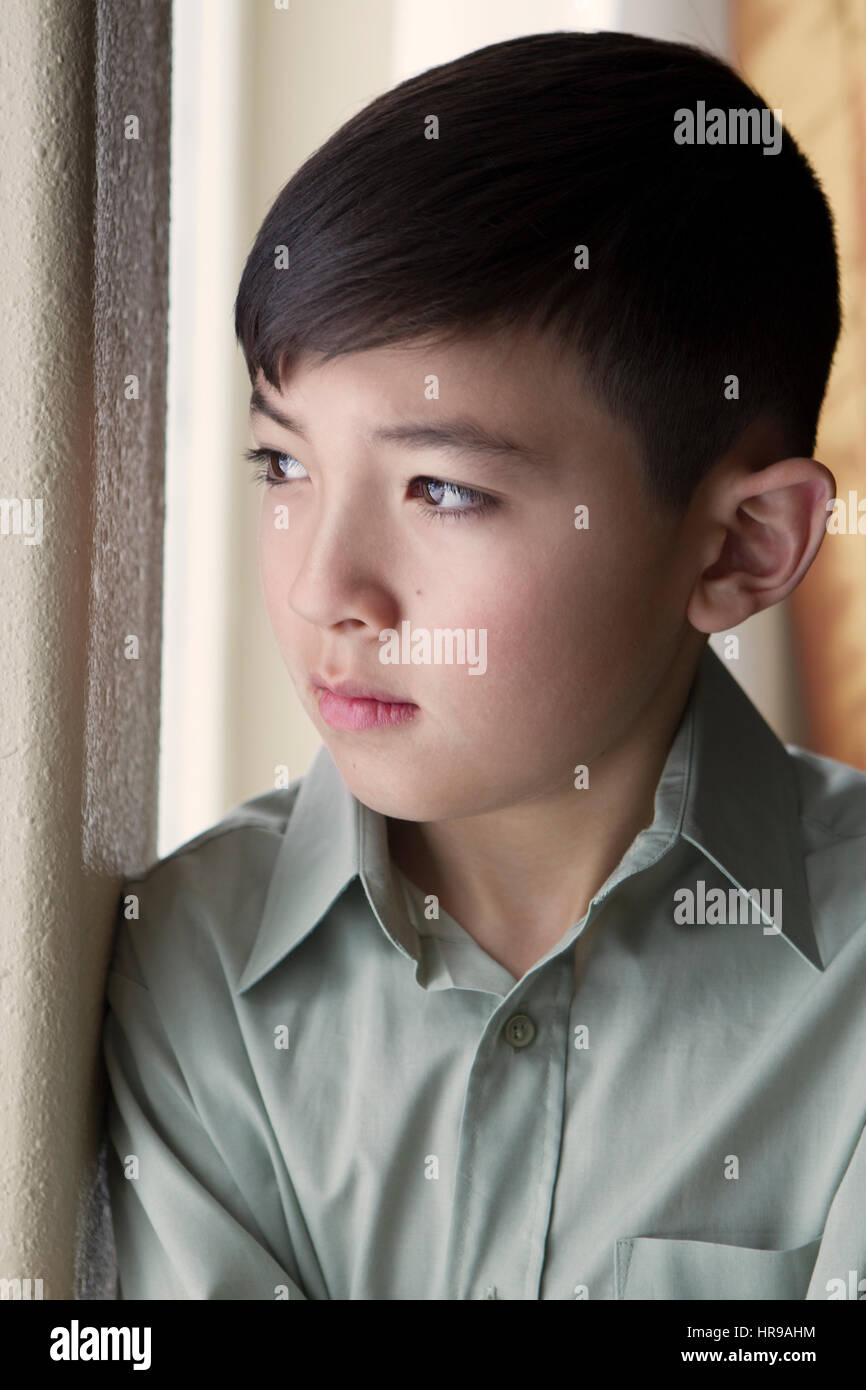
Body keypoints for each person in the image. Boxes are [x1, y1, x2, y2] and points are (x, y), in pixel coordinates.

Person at [102, 29, 866, 1300]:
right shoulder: (189, 970)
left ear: (738, 545)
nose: (321, 590)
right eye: (283, 463)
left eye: (440, 488)